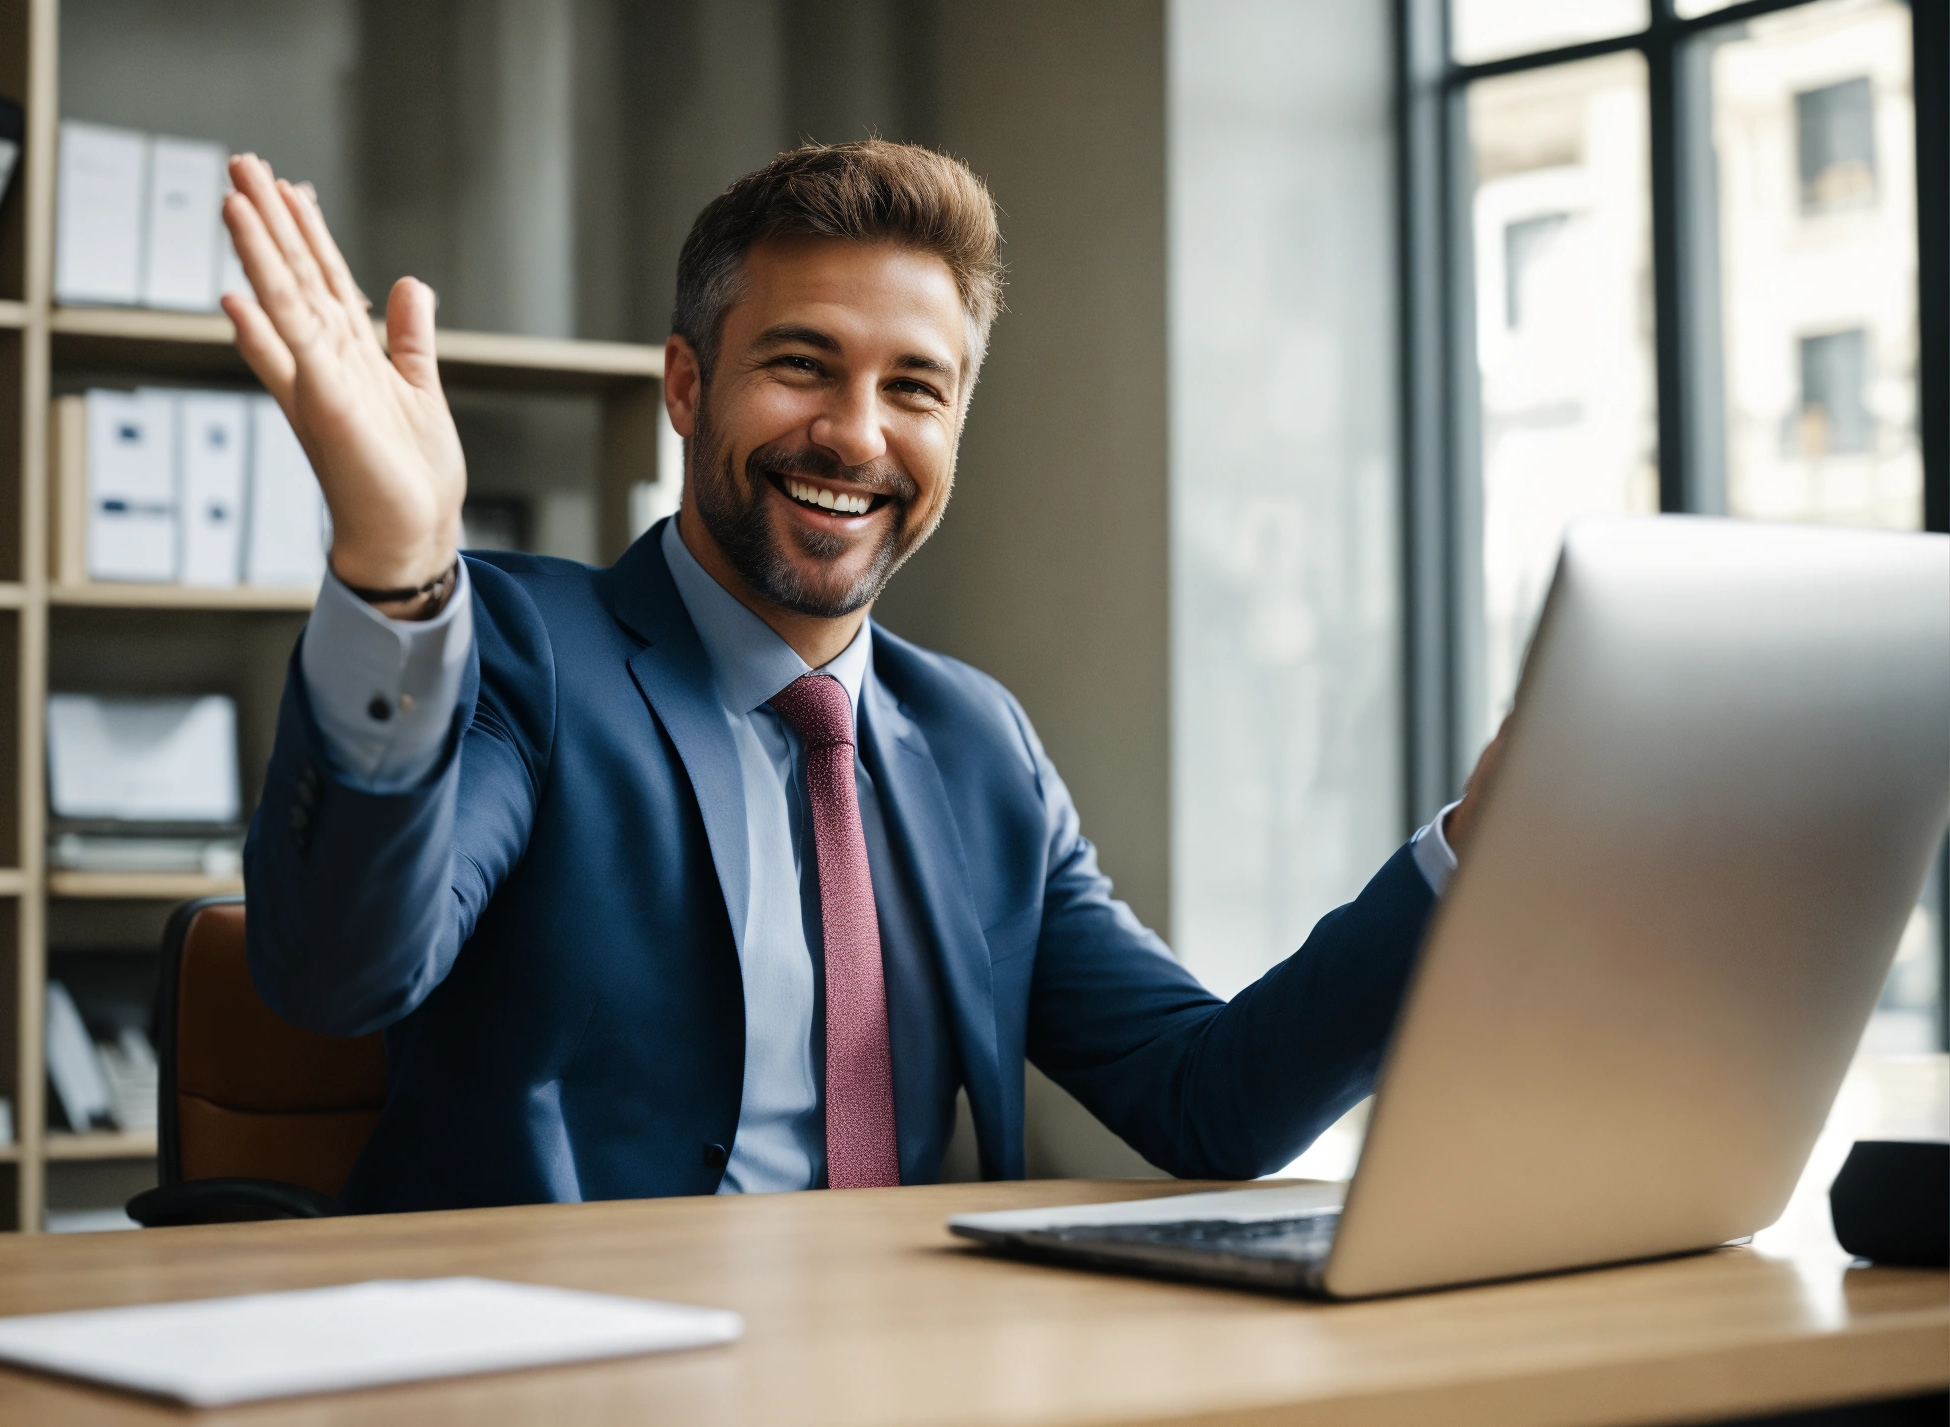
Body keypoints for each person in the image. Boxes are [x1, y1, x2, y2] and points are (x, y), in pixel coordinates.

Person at [223, 140, 1497, 1212]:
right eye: (802, 365)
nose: (856, 433)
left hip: (902, 1382)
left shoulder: (979, 743)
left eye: (915, 388)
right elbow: (344, 973)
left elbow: (1209, 1097)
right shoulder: (518, 647)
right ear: (686, 383)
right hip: (570, 1394)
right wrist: (396, 568)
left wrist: (1470, 855)